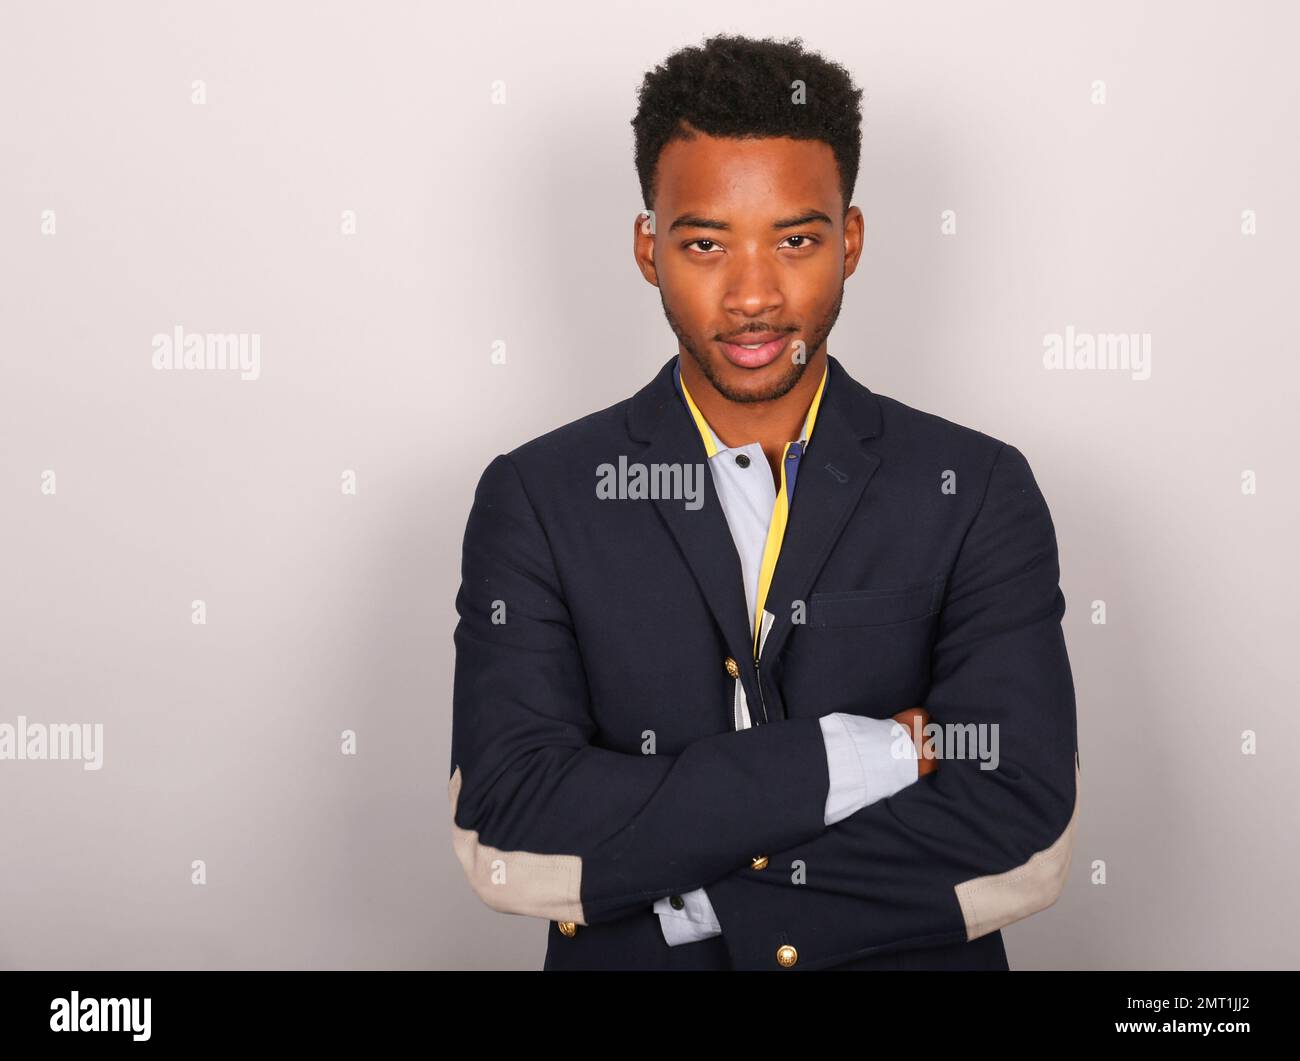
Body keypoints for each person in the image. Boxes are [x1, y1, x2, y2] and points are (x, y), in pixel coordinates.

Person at [449, 32, 1080, 971]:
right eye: (705, 242)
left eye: (795, 240)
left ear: (851, 241)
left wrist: (671, 882)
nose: (753, 296)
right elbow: (508, 838)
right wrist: (863, 757)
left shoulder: (978, 488)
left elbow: (1024, 827)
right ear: (648, 249)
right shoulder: (536, 496)